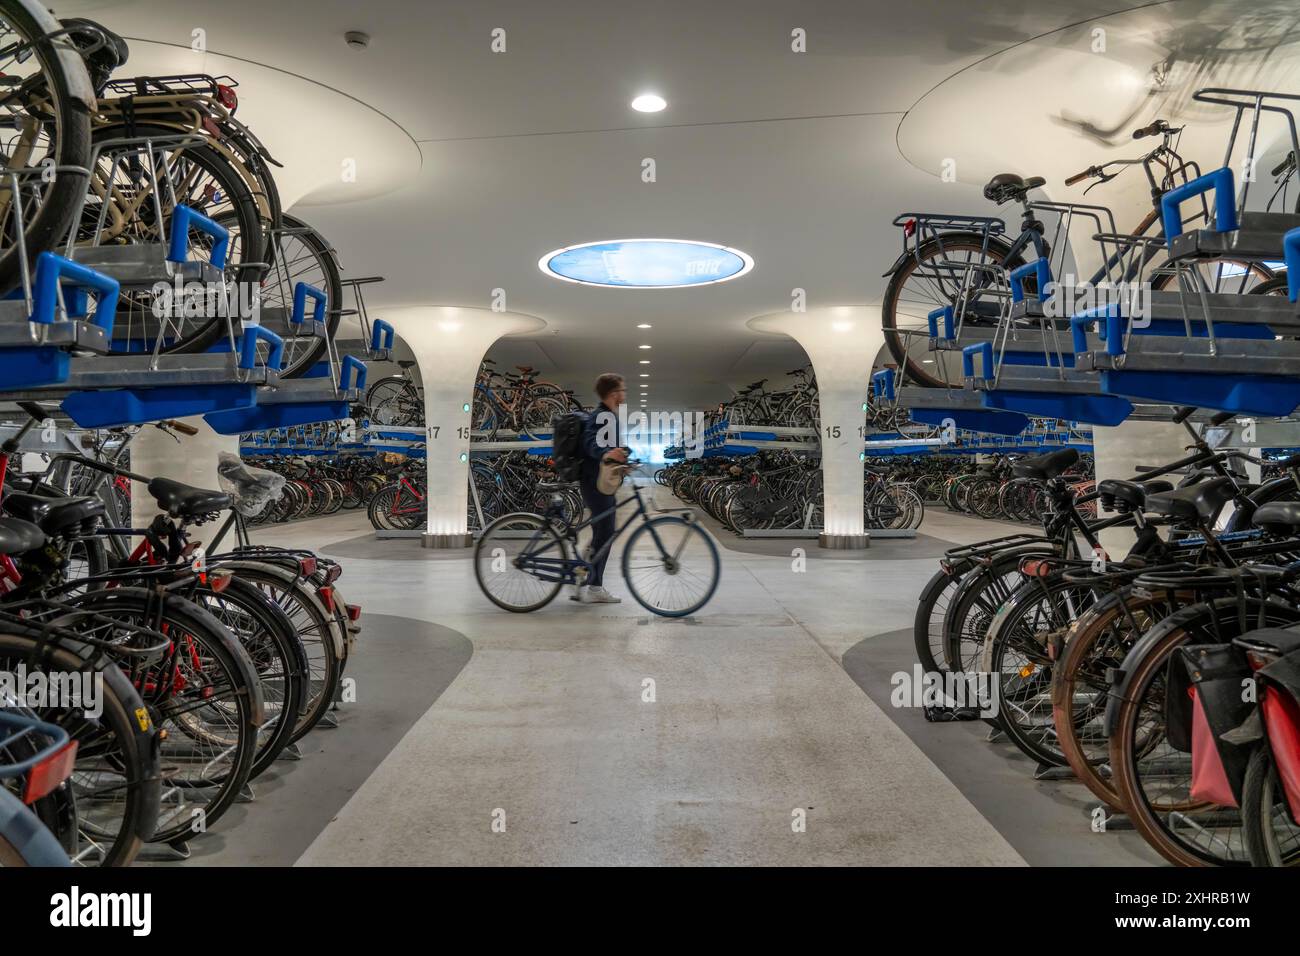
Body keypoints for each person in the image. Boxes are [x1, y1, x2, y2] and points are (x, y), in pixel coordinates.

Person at [574, 372, 628, 604]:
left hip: (601, 482)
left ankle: (585, 576)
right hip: (595, 483)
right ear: (614, 393)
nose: (624, 394)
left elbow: (608, 446)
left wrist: (622, 456)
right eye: (622, 390)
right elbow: (590, 444)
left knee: (603, 533)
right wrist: (607, 454)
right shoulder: (602, 416)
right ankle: (593, 586)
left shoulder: (608, 416)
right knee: (604, 533)